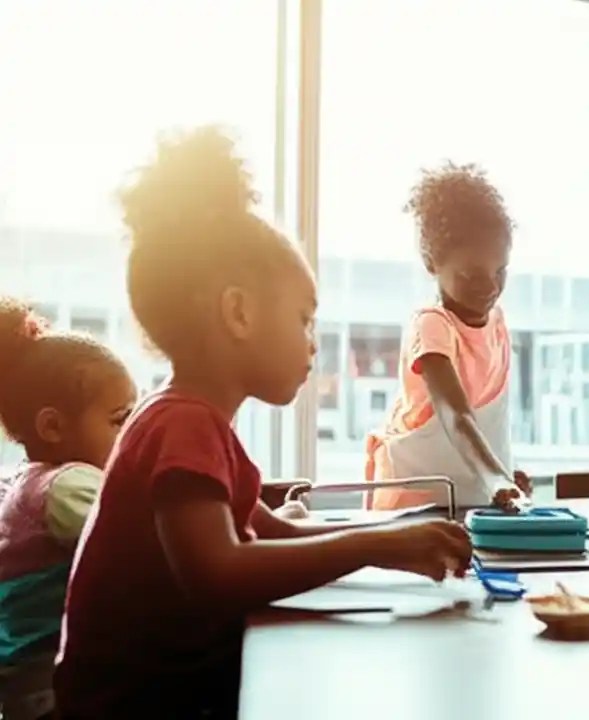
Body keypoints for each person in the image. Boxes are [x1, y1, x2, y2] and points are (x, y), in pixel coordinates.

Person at [55, 127, 473, 718]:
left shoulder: (187, 421)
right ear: (239, 312)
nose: (312, 345)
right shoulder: (184, 428)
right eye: (304, 319)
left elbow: (269, 532)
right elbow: (220, 572)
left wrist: (391, 547)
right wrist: (375, 542)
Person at [365, 162, 530, 511]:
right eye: (471, 275)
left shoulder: (497, 326)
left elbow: (488, 423)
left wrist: (503, 471)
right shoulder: (432, 325)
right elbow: (456, 416)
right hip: (414, 501)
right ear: (431, 263)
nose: (489, 287)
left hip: (468, 500)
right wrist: (495, 478)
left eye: (500, 271)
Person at [0, 300, 136, 720]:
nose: (132, 433)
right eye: (119, 420)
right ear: (53, 427)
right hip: (54, 693)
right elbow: (147, 537)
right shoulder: (67, 487)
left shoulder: (27, 482)